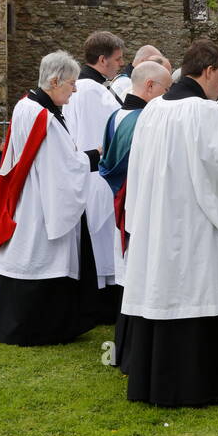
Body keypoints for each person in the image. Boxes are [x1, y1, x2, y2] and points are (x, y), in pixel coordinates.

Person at [121, 40, 218, 408]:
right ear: (210, 70)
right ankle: (204, 383)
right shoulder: (207, 113)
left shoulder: (152, 111)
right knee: (202, 288)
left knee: (164, 291)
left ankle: (159, 381)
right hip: (197, 227)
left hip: (159, 223)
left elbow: (137, 173)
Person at [0, 51, 96, 346]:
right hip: (41, 199)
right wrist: (94, 157)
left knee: (26, 256)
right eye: (71, 84)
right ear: (54, 80)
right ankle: (42, 329)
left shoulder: (26, 105)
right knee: (43, 256)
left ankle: (13, 326)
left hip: (28, 191)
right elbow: (62, 167)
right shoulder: (43, 117)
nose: (74, 91)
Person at [99, 60, 172, 373]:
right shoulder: (144, 120)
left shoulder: (117, 115)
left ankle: (123, 347)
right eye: (166, 90)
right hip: (134, 206)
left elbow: (105, 155)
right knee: (137, 276)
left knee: (128, 278)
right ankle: (133, 351)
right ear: (150, 86)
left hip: (118, 201)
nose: (168, 96)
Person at [63, 31, 125, 326]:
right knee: (102, 239)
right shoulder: (93, 92)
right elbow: (104, 138)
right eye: (117, 59)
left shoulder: (83, 89)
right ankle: (102, 302)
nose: (121, 64)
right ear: (102, 60)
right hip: (98, 177)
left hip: (86, 174)